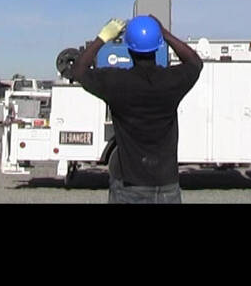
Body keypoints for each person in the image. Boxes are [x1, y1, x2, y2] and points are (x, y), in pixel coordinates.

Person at [71, 14, 203, 204]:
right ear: (158, 46)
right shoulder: (171, 81)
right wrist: (165, 33)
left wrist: (102, 37)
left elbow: (78, 72)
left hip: (129, 186)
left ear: (129, 49)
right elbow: (195, 63)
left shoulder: (117, 83)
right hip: (167, 184)